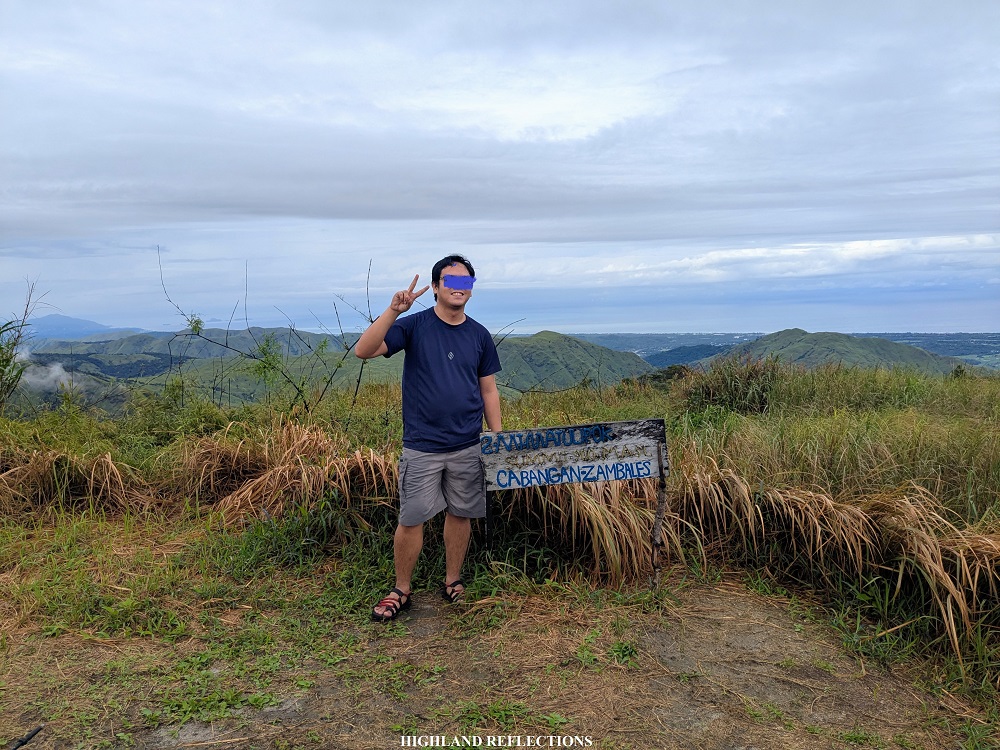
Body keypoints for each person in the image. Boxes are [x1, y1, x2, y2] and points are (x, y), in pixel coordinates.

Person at [354, 255, 502, 622]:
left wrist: (497, 436)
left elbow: (488, 390)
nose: (459, 288)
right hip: (422, 445)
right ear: (435, 287)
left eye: (466, 283)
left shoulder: (479, 335)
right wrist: (392, 310)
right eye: (451, 281)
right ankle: (401, 588)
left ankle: (452, 580)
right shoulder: (414, 325)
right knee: (412, 518)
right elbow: (364, 351)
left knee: (461, 513)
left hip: (468, 443)